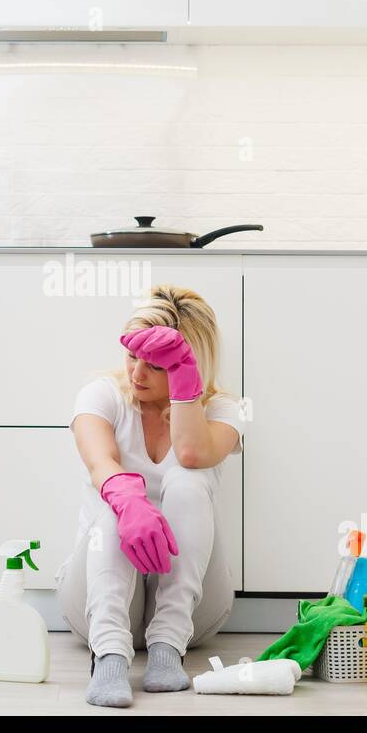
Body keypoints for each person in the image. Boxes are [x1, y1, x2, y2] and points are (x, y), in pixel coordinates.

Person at [55, 285, 243, 707]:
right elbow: (100, 461)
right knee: (114, 502)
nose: (137, 373)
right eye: (132, 356)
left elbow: (193, 454)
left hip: (194, 612)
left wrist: (185, 389)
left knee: (188, 480)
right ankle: (109, 656)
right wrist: (128, 501)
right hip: (95, 598)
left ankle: (167, 648)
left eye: (155, 365)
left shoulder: (223, 410)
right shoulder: (102, 394)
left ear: (185, 365)